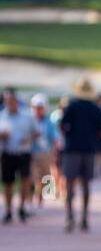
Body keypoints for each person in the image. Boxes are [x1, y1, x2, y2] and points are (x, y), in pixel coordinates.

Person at [60, 77, 101, 232]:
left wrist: (69, 135)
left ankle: (70, 215)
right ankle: (84, 216)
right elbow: (100, 131)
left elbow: (63, 125)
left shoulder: (71, 106)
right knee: (86, 184)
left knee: (69, 184)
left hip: (72, 149)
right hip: (88, 149)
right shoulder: (95, 108)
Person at [0, 88, 39, 224]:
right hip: (8, 153)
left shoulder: (27, 116)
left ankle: (27, 205)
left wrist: (29, 139)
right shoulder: (2, 116)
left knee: (29, 179)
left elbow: (38, 133)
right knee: (8, 183)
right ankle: (9, 210)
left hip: (26, 153)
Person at [28, 94, 60, 208]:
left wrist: (55, 152)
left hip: (46, 153)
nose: (38, 110)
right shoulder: (29, 121)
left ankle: (42, 200)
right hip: (32, 153)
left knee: (45, 177)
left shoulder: (49, 122)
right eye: (37, 107)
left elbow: (55, 137)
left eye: (40, 107)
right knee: (31, 177)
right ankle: (30, 200)